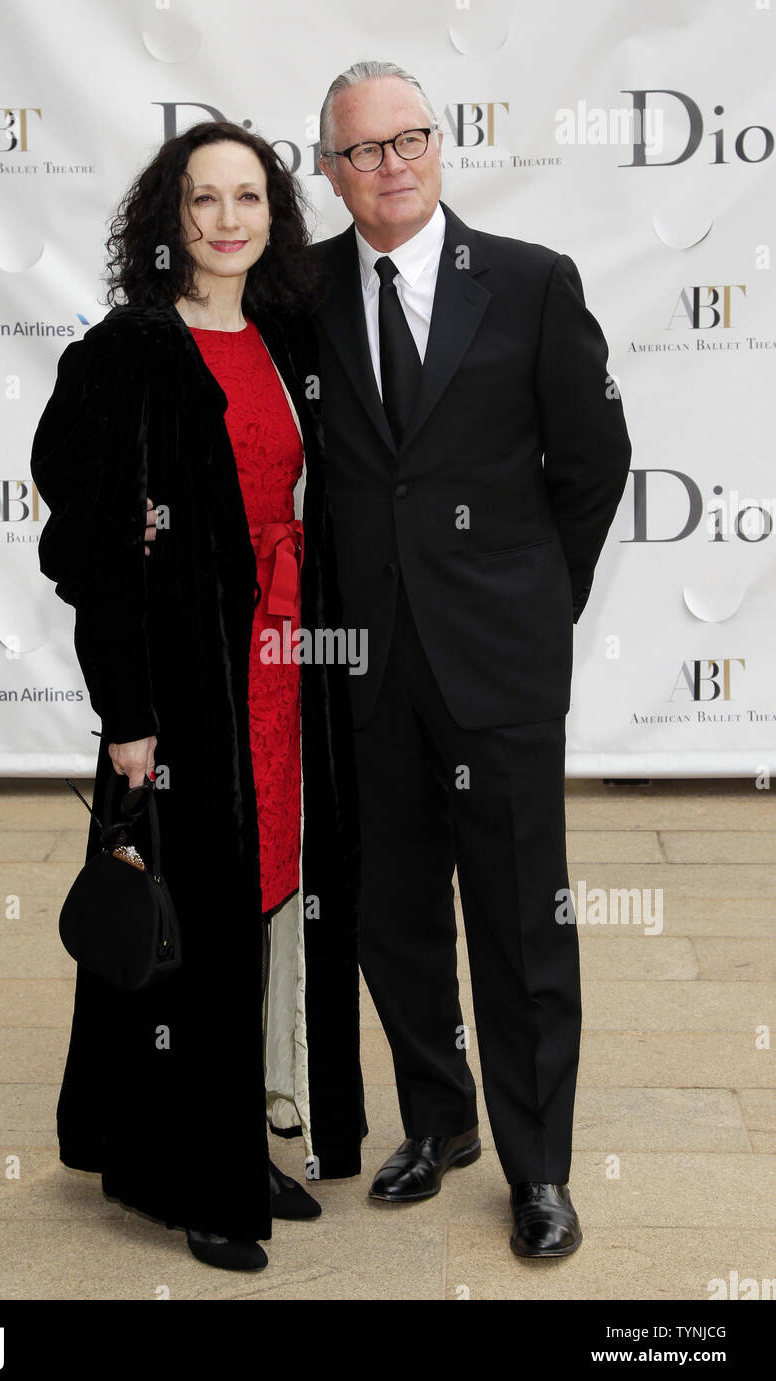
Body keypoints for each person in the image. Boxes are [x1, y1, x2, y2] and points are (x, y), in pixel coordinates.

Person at [29, 121, 365, 1273]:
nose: (226, 220)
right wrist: (126, 712)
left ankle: (227, 1134)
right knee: (193, 929)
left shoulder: (281, 334)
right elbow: (87, 547)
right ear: (168, 220)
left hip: (279, 673)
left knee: (256, 906)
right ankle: (192, 1177)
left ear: (274, 217)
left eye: (249, 198)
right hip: (183, 690)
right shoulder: (128, 350)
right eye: (202, 200)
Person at [311, 61, 632, 1256]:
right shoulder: (307, 294)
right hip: (367, 665)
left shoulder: (529, 283)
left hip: (495, 664)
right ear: (330, 171)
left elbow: (593, 463)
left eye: (409, 140)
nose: (389, 165)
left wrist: (537, 602)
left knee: (518, 918)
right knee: (391, 916)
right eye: (360, 150)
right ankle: (436, 1121)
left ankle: (538, 1165)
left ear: (438, 148)